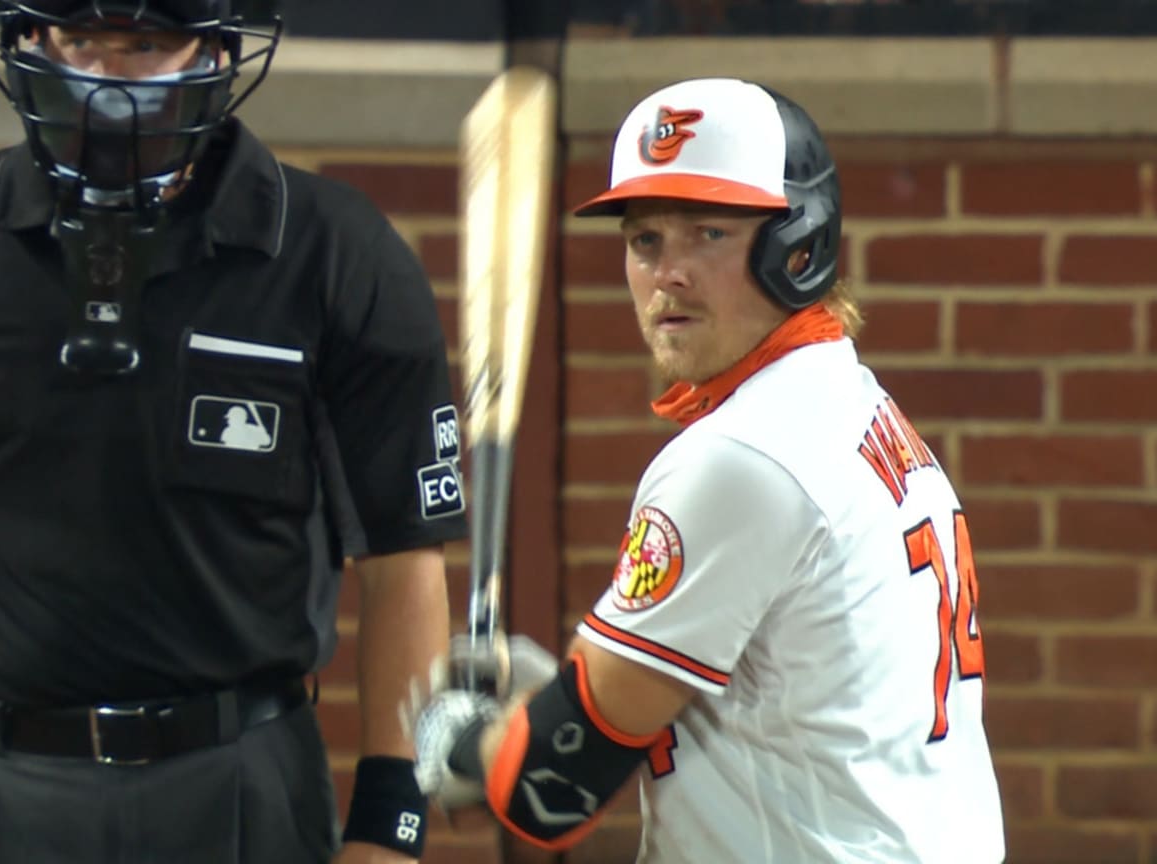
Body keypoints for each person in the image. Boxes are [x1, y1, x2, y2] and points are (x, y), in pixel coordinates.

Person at [407, 77, 1007, 862]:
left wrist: (467, 744)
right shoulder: (850, 402)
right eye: (645, 239)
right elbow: (773, 690)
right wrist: (563, 694)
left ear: (799, 242)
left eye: (709, 233)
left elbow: (549, 788)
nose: (668, 273)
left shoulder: (739, 456)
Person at [0, 2, 464, 862]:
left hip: (241, 776)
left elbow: (403, 561)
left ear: (216, 50)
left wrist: (389, 824)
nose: (107, 81)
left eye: (144, 45)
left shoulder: (331, 248)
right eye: (81, 42)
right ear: (30, 41)